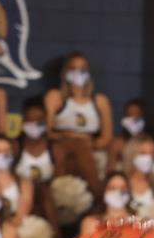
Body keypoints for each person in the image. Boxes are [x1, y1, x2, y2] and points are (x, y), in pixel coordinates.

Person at [44, 51, 112, 188]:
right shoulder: (55, 97)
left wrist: (85, 145)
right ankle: (94, 191)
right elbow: (47, 131)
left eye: (82, 69)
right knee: (74, 149)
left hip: (90, 147)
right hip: (62, 145)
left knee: (81, 150)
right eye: (73, 69)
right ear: (65, 73)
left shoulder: (100, 101)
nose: (78, 73)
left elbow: (107, 138)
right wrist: (72, 138)